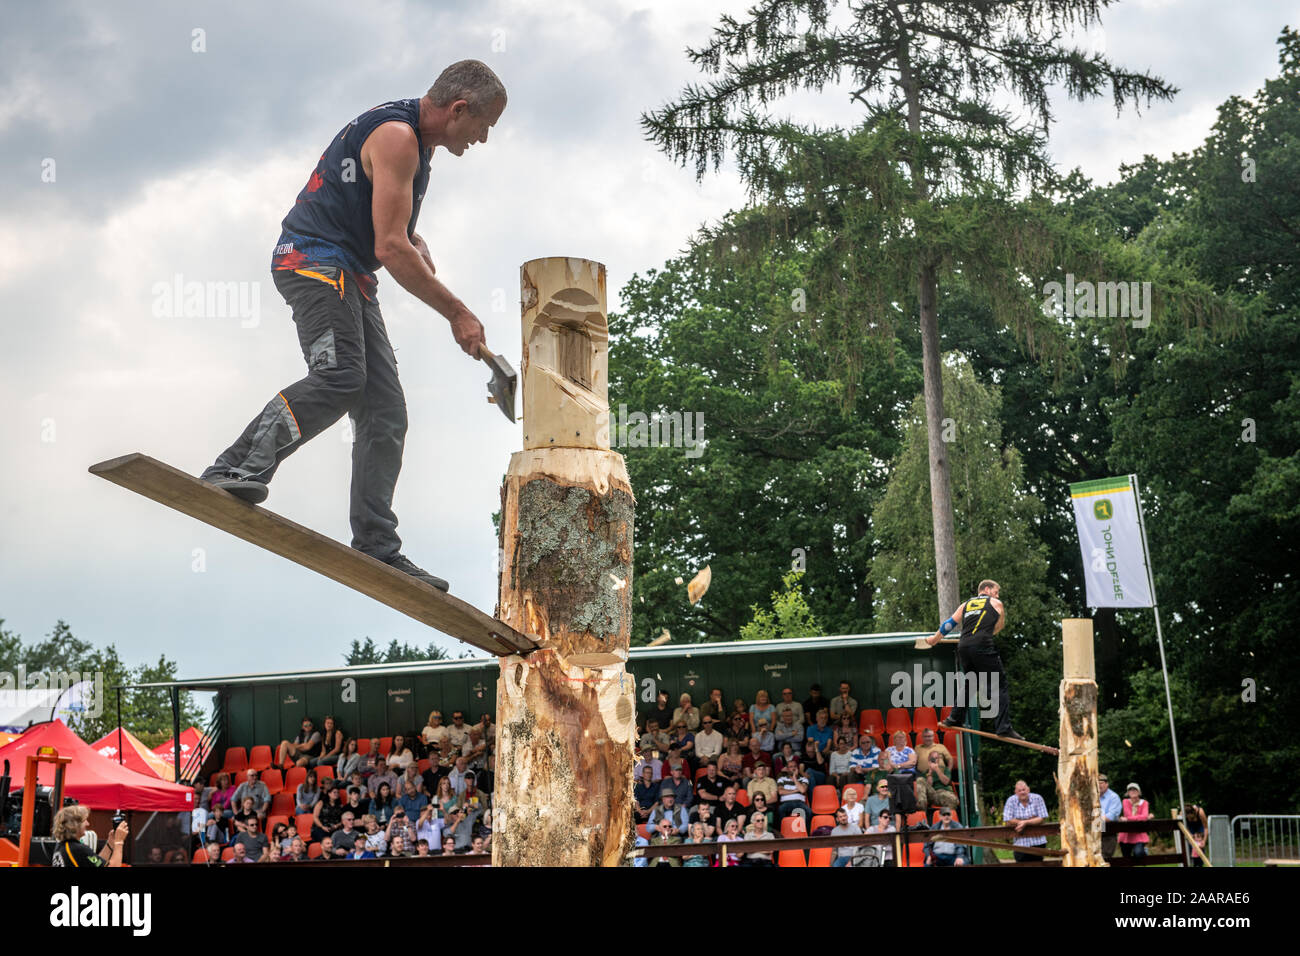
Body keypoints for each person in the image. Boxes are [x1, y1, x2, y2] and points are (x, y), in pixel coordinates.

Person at [199, 62, 506, 593]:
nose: (483, 139)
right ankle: (235, 467)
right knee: (341, 375)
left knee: (386, 412)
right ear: (459, 109)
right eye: (484, 126)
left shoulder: (416, 146)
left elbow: (390, 232)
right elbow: (388, 246)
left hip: (349, 271)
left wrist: (414, 238)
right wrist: (458, 312)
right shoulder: (397, 137)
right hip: (313, 261)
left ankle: (376, 546)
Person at [929, 579, 1022, 740]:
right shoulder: (995, 603)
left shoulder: (965, 604)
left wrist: (935, 639)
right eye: (996, 591)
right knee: (1000, 685)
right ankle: (1003, 727)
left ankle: (954, 718)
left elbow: (949, 624)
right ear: (987, 589)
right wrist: (988, 632)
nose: (997, 595)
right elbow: (998, 626)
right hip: (982, 645)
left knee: (970, 682)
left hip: (963, 646)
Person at [51, 806, 128, 868]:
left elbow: (96, 863)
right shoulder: (78, 849)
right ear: (74, 825)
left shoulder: (63, 846)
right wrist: (119, 842)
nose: (88, 824)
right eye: (85, 820)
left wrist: (110, 844)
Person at [1003, 780, 1049, 862]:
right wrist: (1032, 820)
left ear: (1028, 790)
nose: (1022, 792)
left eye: (1024, 790)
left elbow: (1042, 818)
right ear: (1016, 792)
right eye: (1019, 790)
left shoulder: (1037, 798)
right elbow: (1008, 819)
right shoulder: (1011, 801)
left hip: (1038, 842)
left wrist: (1025, 822)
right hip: (1020, 843)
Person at [1120, 783, 1150, 858]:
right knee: (1126, 858)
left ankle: (1144, 852)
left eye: (1135, 789)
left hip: (1139, 833)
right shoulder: (1125, 801)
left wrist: (1128, 819)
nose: (1132, 791)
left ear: (1139, 792)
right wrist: (1138, 817)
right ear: (1128, 793)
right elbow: (1127, 814)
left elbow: (1144, 816)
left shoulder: (1144, 803)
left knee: (1138, 854)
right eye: (1130, 790)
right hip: (1126, 834)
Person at [1098, 773, 1122, 858]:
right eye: (1097, 783)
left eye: (1101, 783)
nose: (1099, 785)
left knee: (1104, 859)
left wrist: (1093, 819)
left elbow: (1110, 816)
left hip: (1108, 835)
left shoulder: (1113, 797)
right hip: (1094, 834)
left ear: (1106, 784)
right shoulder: (1093, 796)